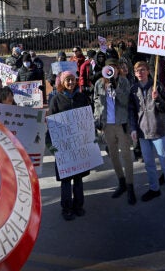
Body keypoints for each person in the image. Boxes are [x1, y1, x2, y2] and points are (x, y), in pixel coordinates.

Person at [128, 61, 165, 213]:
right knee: (149, 164)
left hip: (158, 130)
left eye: (143, 70)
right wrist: (133, 128)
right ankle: (154, 188)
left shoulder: (156, 86)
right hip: (143, 132)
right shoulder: (133, 89)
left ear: (148, 71)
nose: (140, 73)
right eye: (137, 70)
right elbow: (131, 111)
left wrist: (157, 98)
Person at [47, 70, 91, 221]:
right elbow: (51, 122)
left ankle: (78, 205)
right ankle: (66, 208)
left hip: (78, 144)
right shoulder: (56, 99)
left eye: (73, 80)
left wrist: (92, 137)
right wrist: (51, 144)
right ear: (62, 83)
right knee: (66, 179)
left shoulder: (81, 97)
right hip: (63, 145)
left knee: (78, 177)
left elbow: (87, 119)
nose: (71, 83)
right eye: (68, 80)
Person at [93, 60, 136, 205]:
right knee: (113, 155)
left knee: (126, 155)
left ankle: (130, 186)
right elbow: (97, 102)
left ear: (118, 69)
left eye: (115, 68)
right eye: (109, 68)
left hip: (121, 123)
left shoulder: (123, 82)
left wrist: (116, 88)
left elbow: (126, 102)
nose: (113, 70)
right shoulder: (99, 83)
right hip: (107, 125)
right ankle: (121, 182)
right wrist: (97, 119)